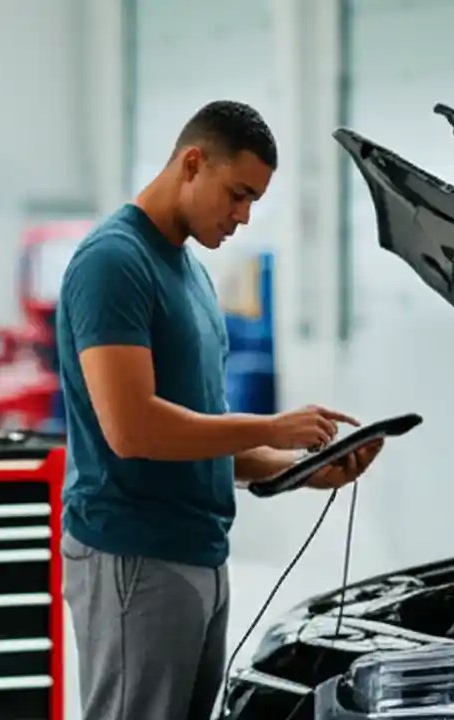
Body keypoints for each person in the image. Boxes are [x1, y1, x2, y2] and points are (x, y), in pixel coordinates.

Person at [54, 99, 383, 720]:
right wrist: (272, 424)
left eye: (254, 200)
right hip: (135, 554)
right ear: (193, 162)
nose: (243, 215)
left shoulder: (192, 276)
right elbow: (132, 428)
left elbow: (202, 438)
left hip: (199, 552)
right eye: (237, 194)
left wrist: (305, 467)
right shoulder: (113, 263)